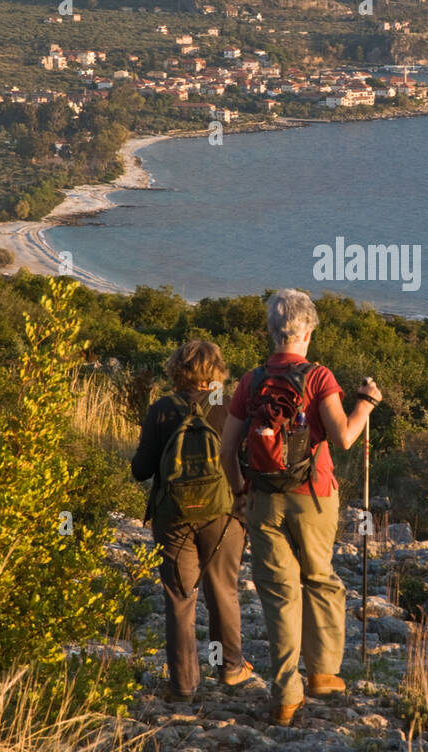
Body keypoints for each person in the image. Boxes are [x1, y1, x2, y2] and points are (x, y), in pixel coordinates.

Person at [220, 289, 382, 727]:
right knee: (320, 580)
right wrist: (365, 402)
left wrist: (240, 494)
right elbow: (344, 437)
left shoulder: (250, 381)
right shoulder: (319, 377)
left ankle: (285, 694)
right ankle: (323, 674)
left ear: (272, 332)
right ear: (307, 331)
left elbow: (227, 448)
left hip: (262, 499)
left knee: (278, 594)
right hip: (313, 497)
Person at [131, 338, 252, 704]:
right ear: (217, 371)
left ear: (177, 369)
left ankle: (183, 687)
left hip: (174, 517)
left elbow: (140, 471)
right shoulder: (228, 406)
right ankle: (229, 667)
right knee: (223, 592)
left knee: (181, 599)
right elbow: (245, 460)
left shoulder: (162, 409)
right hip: (224, 515)